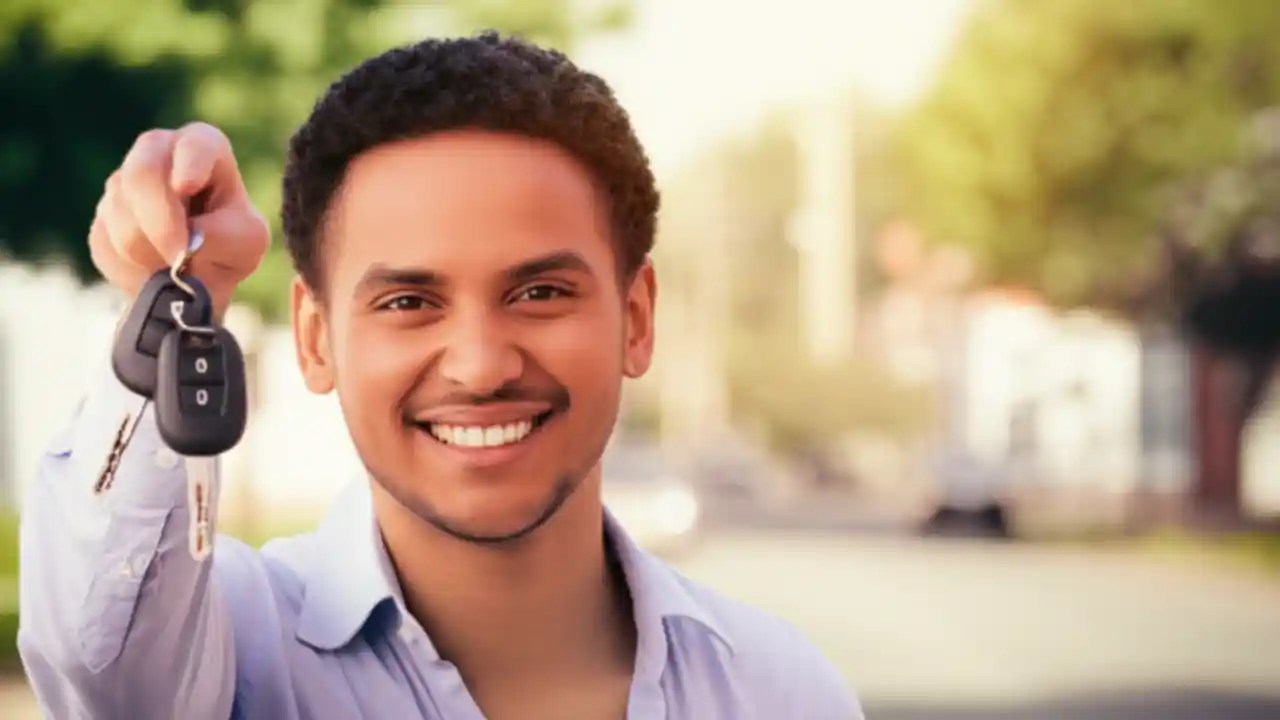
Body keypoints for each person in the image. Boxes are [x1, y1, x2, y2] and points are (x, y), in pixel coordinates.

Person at [18, 32, 861, 719]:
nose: (481, 365)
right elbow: (99, 666)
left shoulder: (781, 693)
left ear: (635, 318)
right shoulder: (235, 650)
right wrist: (176, 304)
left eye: (539, 292)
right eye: (409, 302)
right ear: (317, 341)